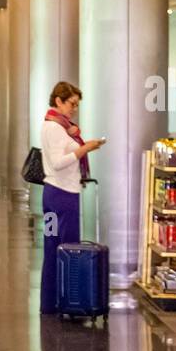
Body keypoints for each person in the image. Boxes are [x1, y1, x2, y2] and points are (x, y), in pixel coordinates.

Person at [39, 82, 105, 315]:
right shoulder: (55, 128)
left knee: (51, 246)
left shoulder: (55, 126)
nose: (74, 109)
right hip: (64, 196)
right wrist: (84, 148)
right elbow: (59, 162)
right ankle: (67, 302)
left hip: (51, 195)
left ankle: (50, 302)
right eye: (71, 104)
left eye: (77, 105)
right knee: (67, 247)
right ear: (58, 101)